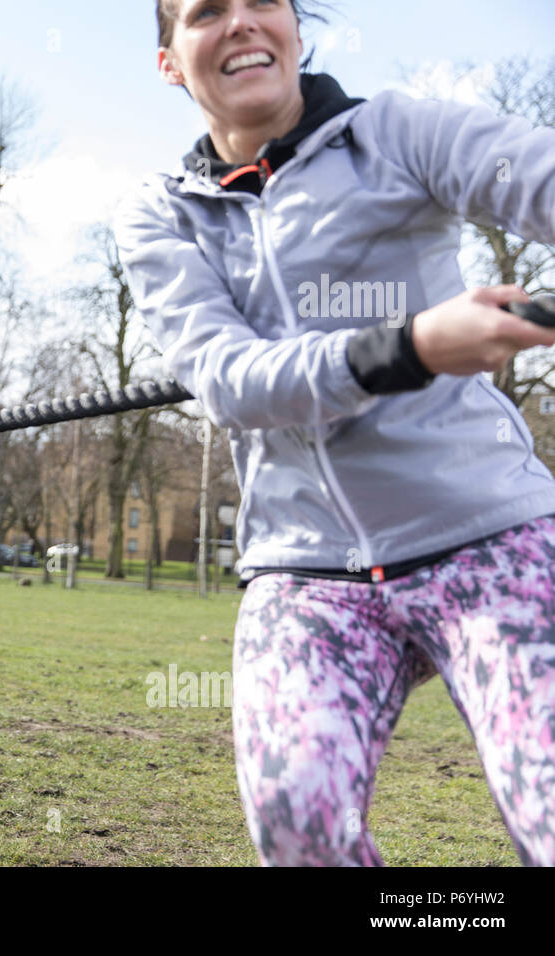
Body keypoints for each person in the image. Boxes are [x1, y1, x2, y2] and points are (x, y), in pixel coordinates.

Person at [116, 0, 555, 866]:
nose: (241, 23)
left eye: (263, 3)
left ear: (295, 26)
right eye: (207, 12)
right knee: (298, 821)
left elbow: (535, 173)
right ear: (170, 62)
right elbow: (234, 385)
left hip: (488, 532)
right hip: (305, 569)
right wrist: (414, 346)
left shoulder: (394, 134)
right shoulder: (162, 216)